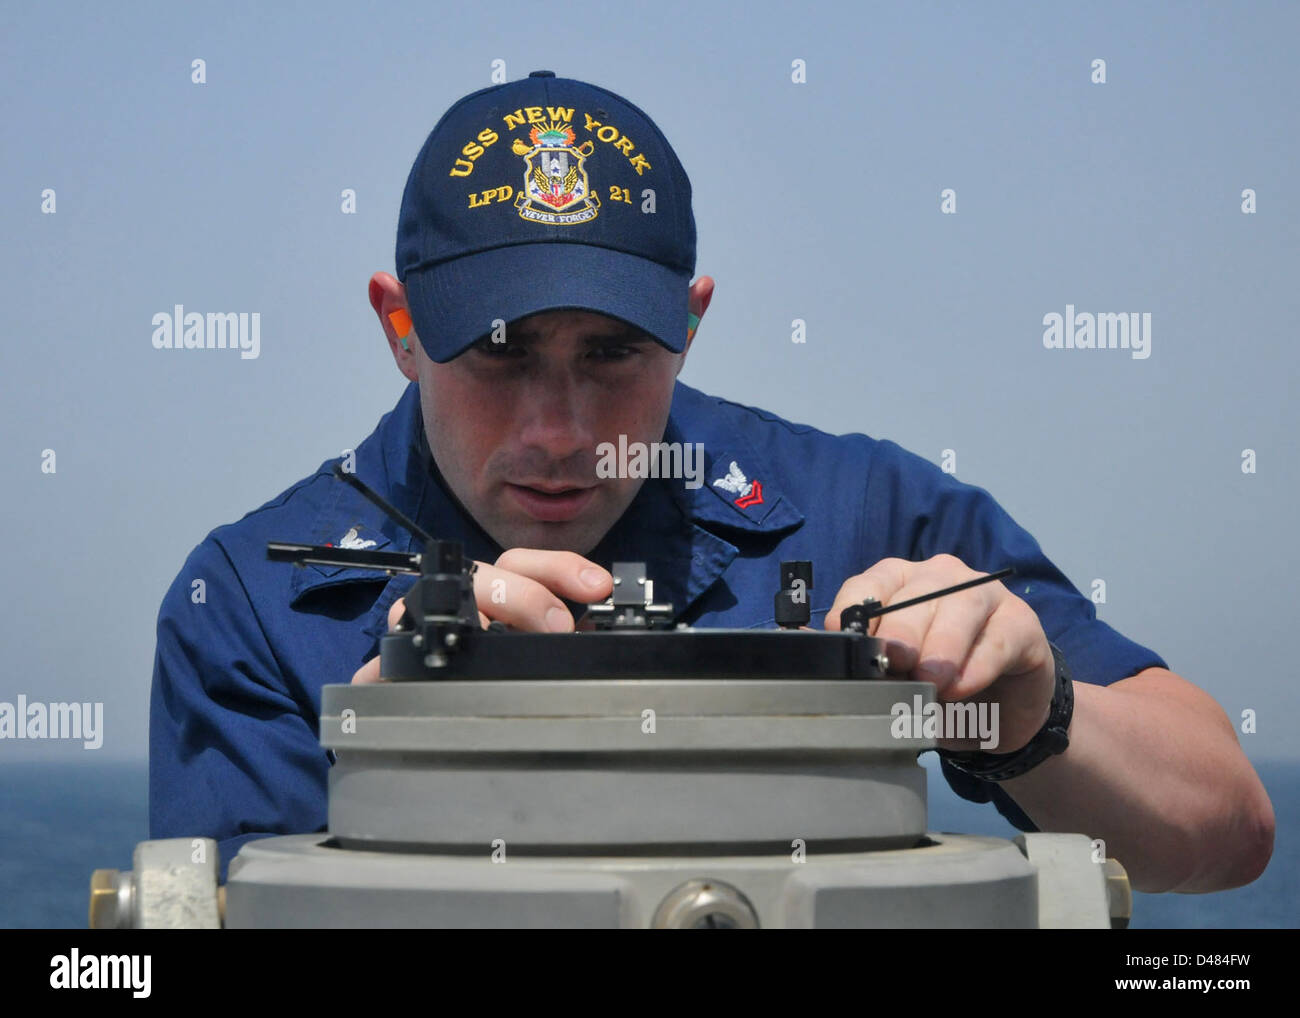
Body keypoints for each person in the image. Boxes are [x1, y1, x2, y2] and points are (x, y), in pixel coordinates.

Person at [150, 71, 1274, 893]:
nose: (559, 429)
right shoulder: (250, 602)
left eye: (612, 354)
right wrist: (400, 775)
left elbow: (1222, 827)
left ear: (687, 328)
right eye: (499, 352)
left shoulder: (858, 513)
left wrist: (1033, 717)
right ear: (400, 328)